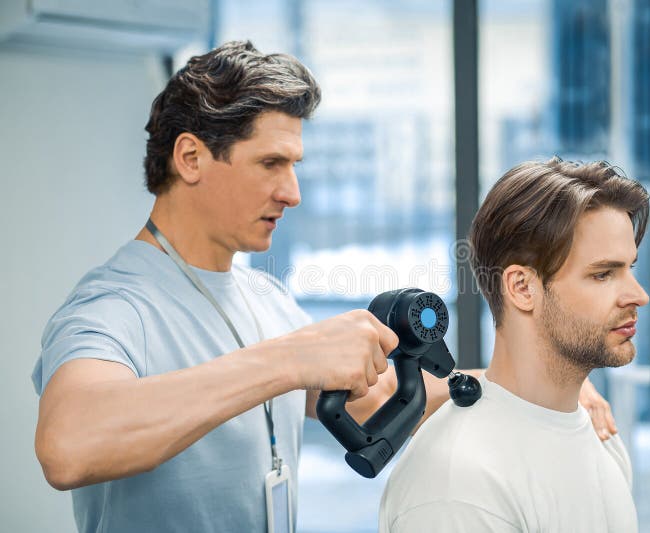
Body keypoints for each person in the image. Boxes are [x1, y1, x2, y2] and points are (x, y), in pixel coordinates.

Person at [32, 42, 619, 532]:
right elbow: (69, 444)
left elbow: (382, 398)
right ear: (190, 157)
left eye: (295, 167)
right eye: (271, 164)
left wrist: (521, 389)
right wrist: (288, 360)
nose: (293, 193)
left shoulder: (262, 298)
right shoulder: (114, 305)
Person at [379, 158, 650, 533]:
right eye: (603, 274)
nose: (639, 295)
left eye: (630, 269)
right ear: (522, 288)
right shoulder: (458, 483)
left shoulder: (602, 439)